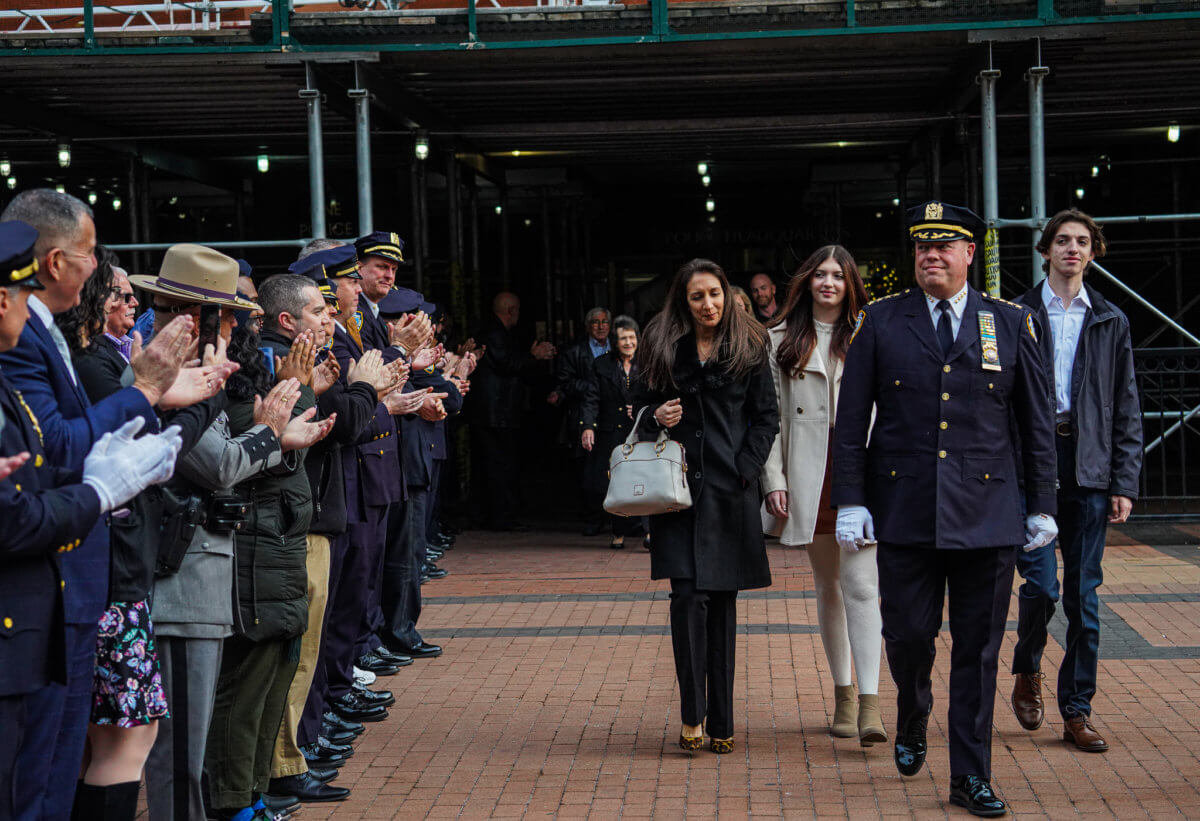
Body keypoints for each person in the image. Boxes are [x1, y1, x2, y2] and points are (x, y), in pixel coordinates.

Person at [832, 201, 1058, 818]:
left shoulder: (1009, 322)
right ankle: (912, 708)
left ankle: (970, 776)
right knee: (907, 636)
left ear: (969, 255)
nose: (931, 255)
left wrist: (1042, 506)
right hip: (904, 509)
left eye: (945, 246)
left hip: (987, 514)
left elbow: (1036, 425)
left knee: (979, 651)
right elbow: (850, 423)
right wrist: (849, 501)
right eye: (922, 246)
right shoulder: (880, 320)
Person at [0, 190, 191, 820]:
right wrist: (143, 392)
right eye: (89, 256)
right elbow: (55, 444)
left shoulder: (41, 330)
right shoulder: (26, 336)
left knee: (54, 766)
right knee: (37, 775)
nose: (97, 270)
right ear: (55, 262)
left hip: (73, 575)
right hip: (46, 576)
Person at [1009, 209, 1142, 753]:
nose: (1071, 249)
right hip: (1033, 466)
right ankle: (1027, 668)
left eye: (1081, 242)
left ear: (1093, 251)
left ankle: (1077, 710)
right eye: (1062, 241)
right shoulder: (1016, 313)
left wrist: (1124, 481)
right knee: (1041, 586)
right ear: (1045, 251)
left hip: (1088, 466)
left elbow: (1126, 404)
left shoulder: (1110, 319)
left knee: (1084, 600)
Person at [634, 258, 779, 754]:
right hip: (675, 492)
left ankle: (722, 720)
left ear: (725, 294)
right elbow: (634, 408)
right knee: (686, 599)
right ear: (684, 300)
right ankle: (691, 714)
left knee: (721, 603)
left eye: (715, 293)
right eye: (698, 296)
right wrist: (654, 414)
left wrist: (747, 467)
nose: (709, 304)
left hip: (728, 489)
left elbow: (766, 417)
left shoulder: (750, 343)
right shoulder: (660, 345)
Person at [759, 245, 885, 745]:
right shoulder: (779, 340)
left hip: (862, 470)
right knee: (828, 584)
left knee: (862, 584)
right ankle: (844, 694)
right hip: (809, 473)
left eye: (838, 275)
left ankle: (872, 703)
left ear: (850, 282)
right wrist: (775, 480)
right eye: (820, 274)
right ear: (807, 281)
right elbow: (767, 418)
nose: (828, 282)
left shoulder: (873, 331)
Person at [472, 292, 555, 530]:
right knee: (500, 465)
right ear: (512, 311)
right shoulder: (496, 333)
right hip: (496, 413)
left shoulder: (493, 330)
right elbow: (507, 364)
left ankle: (487, 515)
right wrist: (533, 356)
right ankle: (501, 518)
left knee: (491, 464)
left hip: (493, 412)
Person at [580, 314, 648, 550]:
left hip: (641, 432)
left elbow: (658, 395)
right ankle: (618, 531)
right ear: (614, 342)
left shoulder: (649, 363)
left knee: (645, 480)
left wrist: (642, 409)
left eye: (632, 337)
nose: (628, 343)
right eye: (622, 339)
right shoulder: (602, 365)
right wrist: (588, 426)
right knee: (617, 482)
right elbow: (591, 399)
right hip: (612, 433)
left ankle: (648, 530)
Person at [553, 306, 612, 535]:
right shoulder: (574, 351)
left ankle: (620, 517)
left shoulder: (618, 347)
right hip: (585, 415)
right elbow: (565, 382)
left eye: (605, 321)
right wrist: (597, 389)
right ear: (588, 326)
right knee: (590, 466)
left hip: (613, 416)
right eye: (595, 322)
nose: (600, 326)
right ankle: (592, 517)